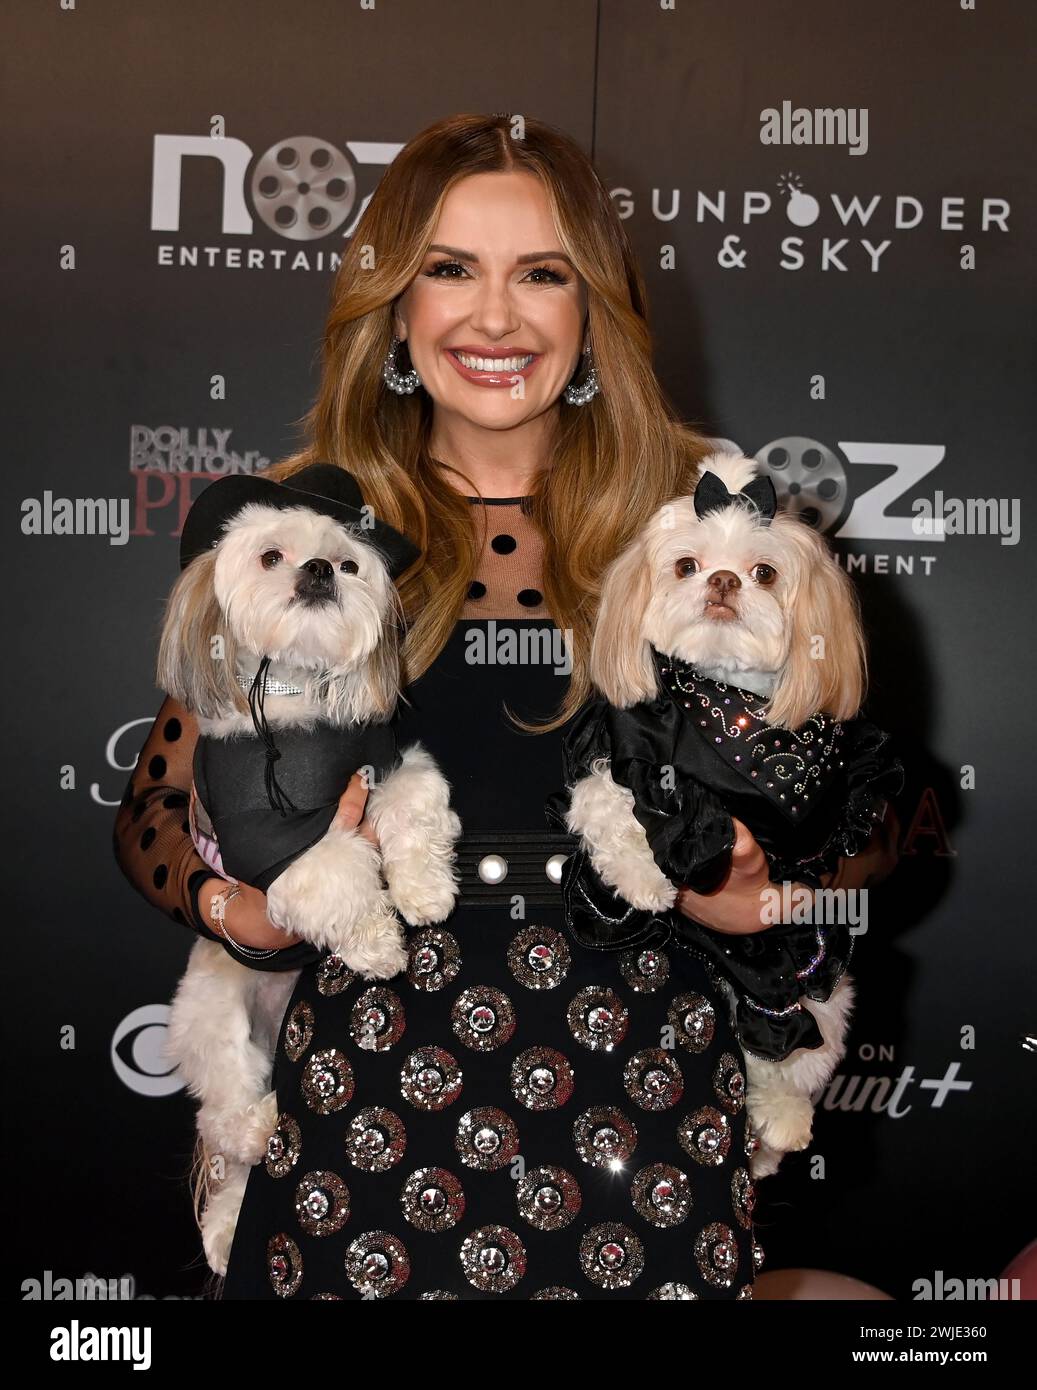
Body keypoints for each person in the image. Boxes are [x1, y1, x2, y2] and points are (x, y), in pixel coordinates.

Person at [113, 112, 899, 1301]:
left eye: (541, 273)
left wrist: (763, 894)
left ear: (590, 314)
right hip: (361, 1105)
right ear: (393, 308)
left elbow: (876, 813)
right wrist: (244, 914)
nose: (494, 316)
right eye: (449, 269)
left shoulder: (699, 531)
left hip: (642, 1103)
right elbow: (156, 808)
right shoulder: (301, 530)